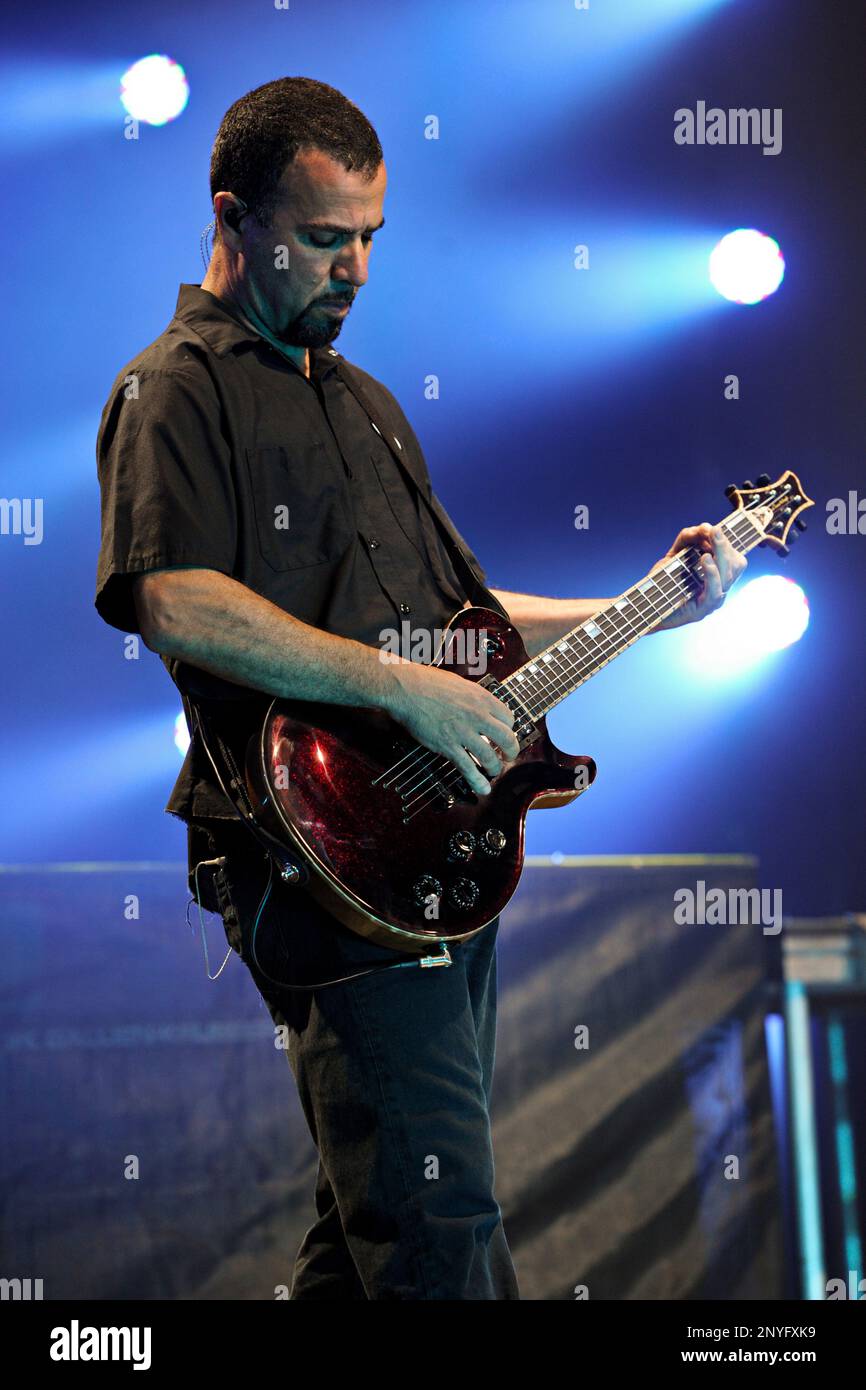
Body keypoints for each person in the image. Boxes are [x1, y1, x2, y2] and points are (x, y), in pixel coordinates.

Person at [94, 76, 745, 1300]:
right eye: (324, 239)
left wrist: (640, 598)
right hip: (311, 848)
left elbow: (468, 628)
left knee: (377, 1225)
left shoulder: (368, 403)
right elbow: (172, 595)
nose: (355, 269)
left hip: (427, 843)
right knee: (442, 1218)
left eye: (370, 239)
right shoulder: (173, 385)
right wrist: (396, 688)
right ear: (233, 220)